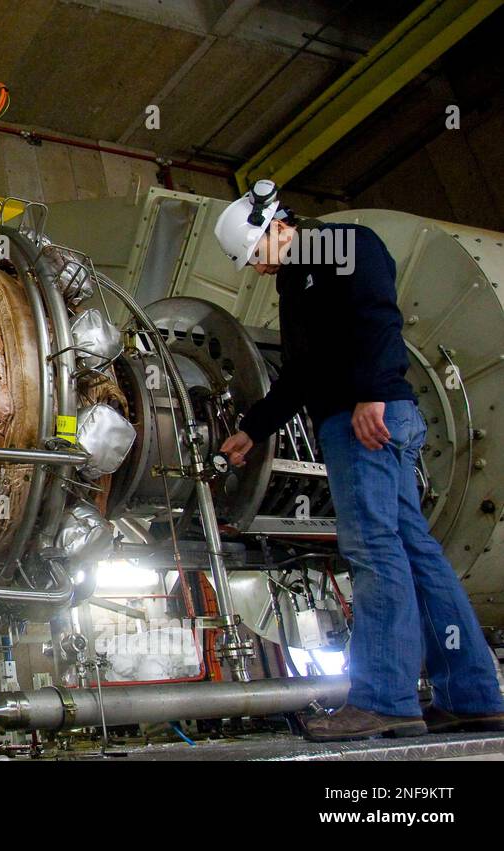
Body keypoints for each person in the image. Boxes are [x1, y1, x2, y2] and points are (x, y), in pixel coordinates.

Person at [213, 180, 504, 742]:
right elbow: (301, 373)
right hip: (363, 413)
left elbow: (378, 313)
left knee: (374, 551)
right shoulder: (299, 282)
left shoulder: (339, 243)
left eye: (255, 256)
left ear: (276, 226)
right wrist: (253, 429)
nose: (257, 270)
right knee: (416, 553)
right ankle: (471, 695)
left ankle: (384, 700)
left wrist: (372, 391)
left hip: (365, 418)